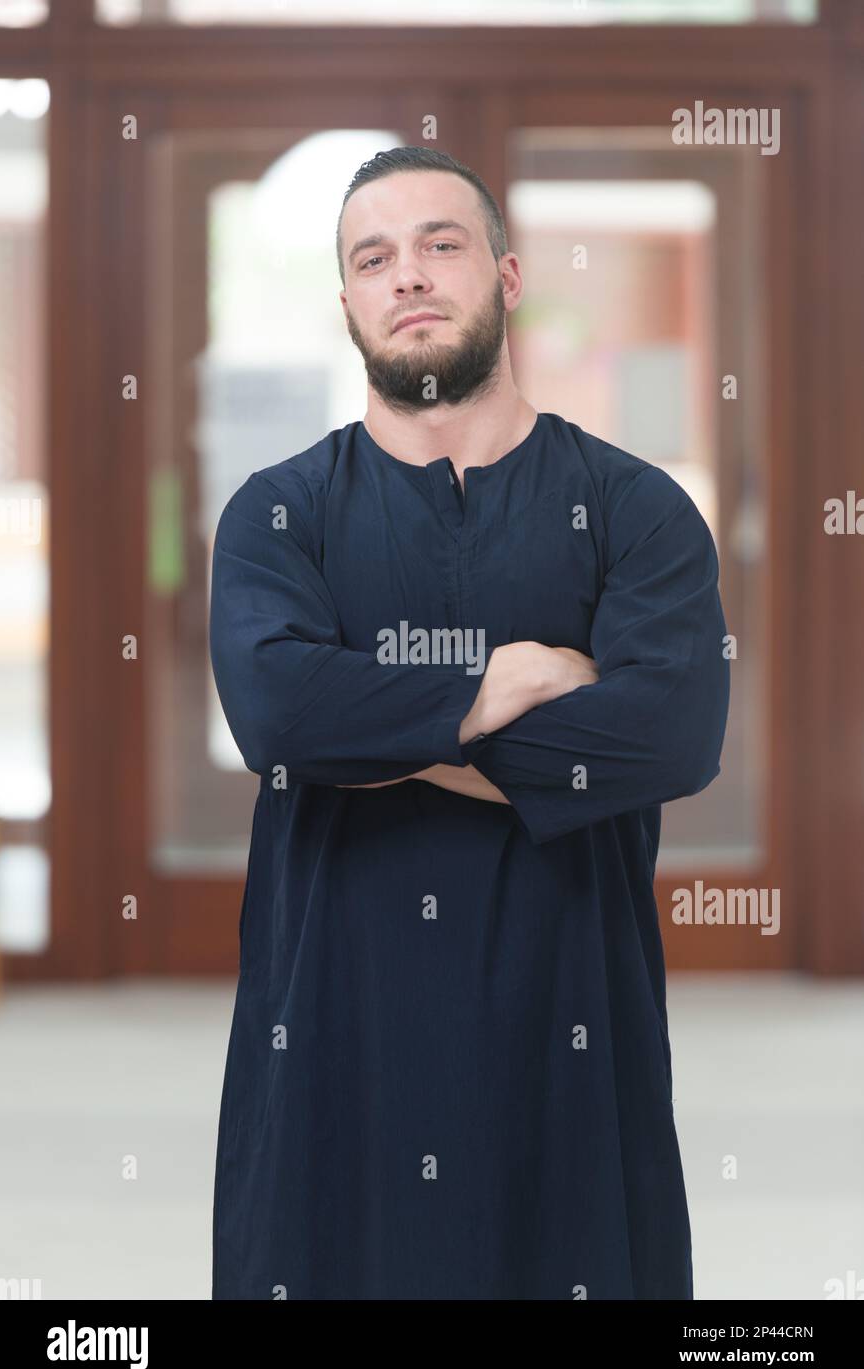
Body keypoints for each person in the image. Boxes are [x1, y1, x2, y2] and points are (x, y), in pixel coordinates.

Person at [209, 145, 729, 1300]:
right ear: (345, 299)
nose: (409, 275)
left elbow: (673, 736)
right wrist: (498, 691)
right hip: (335, 1023)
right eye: (374, 257)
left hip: (569, 1018)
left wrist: (383, 733)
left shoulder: (636, 511)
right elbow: (279, 713)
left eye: (441, 244)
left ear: (504, 274)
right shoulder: (279, 515)